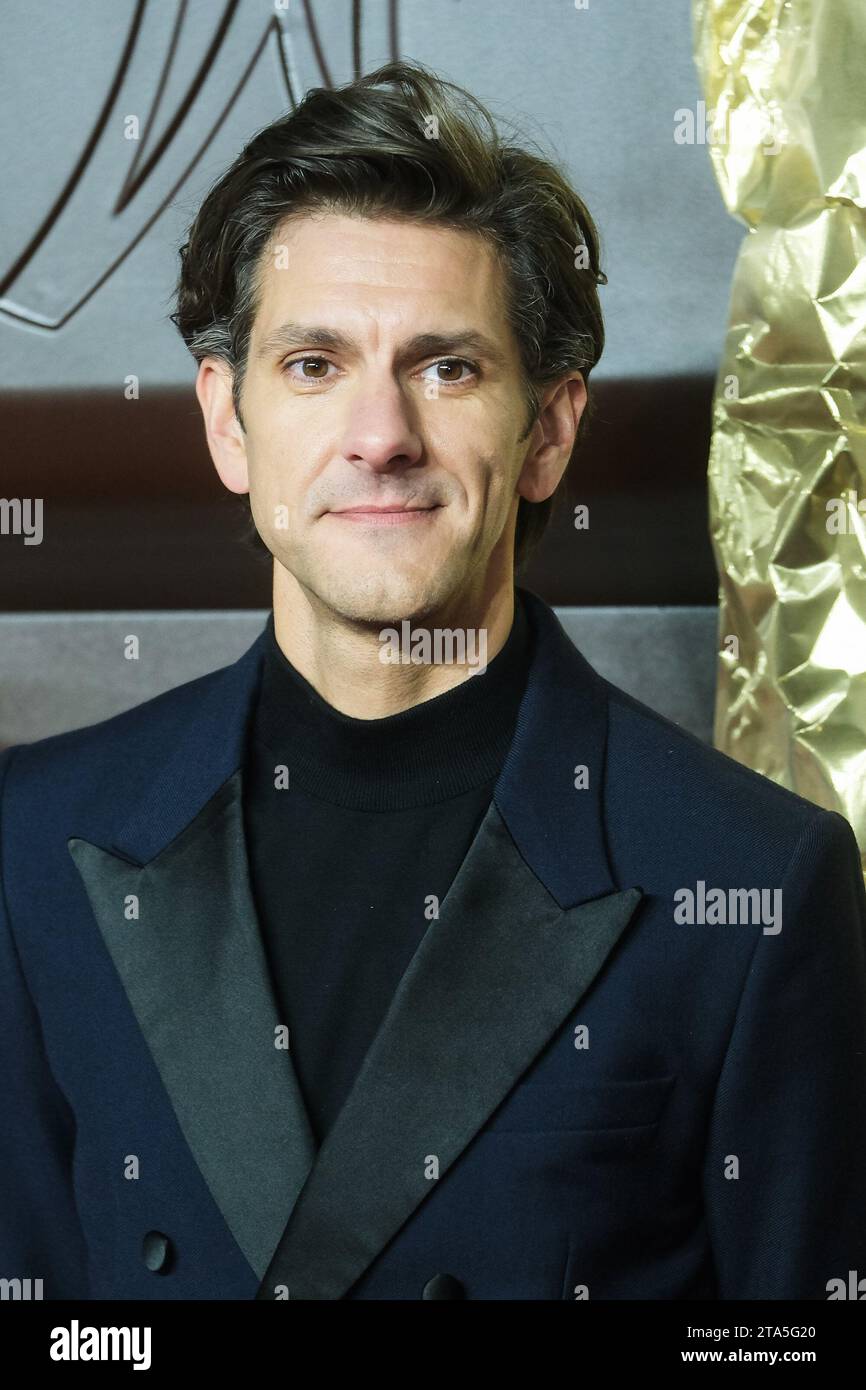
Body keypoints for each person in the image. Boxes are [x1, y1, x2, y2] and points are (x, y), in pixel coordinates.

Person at [2, 59, 865, 1302]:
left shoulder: (752, 879)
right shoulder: (40, 837)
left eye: (445, 367)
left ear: (548, 430)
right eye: (311, 365)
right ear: (226, 423)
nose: (379, 433)